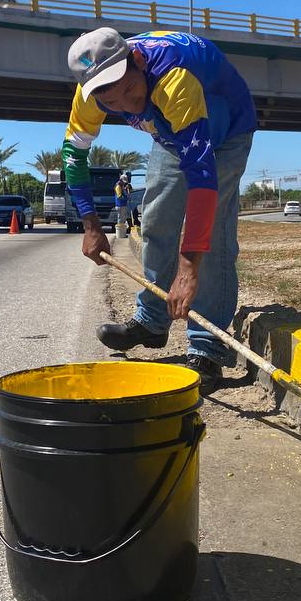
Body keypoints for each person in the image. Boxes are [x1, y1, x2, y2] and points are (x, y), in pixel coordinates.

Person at [62, 28, 256, 393]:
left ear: (136, 62)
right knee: (155, 220)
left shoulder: (174, 79)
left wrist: (187, 269)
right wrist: (90, 224)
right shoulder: (90, 92)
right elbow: (73, 155)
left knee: (211, 237)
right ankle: (152, 322)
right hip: (170, 132)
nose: (127, 107)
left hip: (227, 128)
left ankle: (207, 348)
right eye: (112, 104)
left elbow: (202, 179)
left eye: (131, 92)